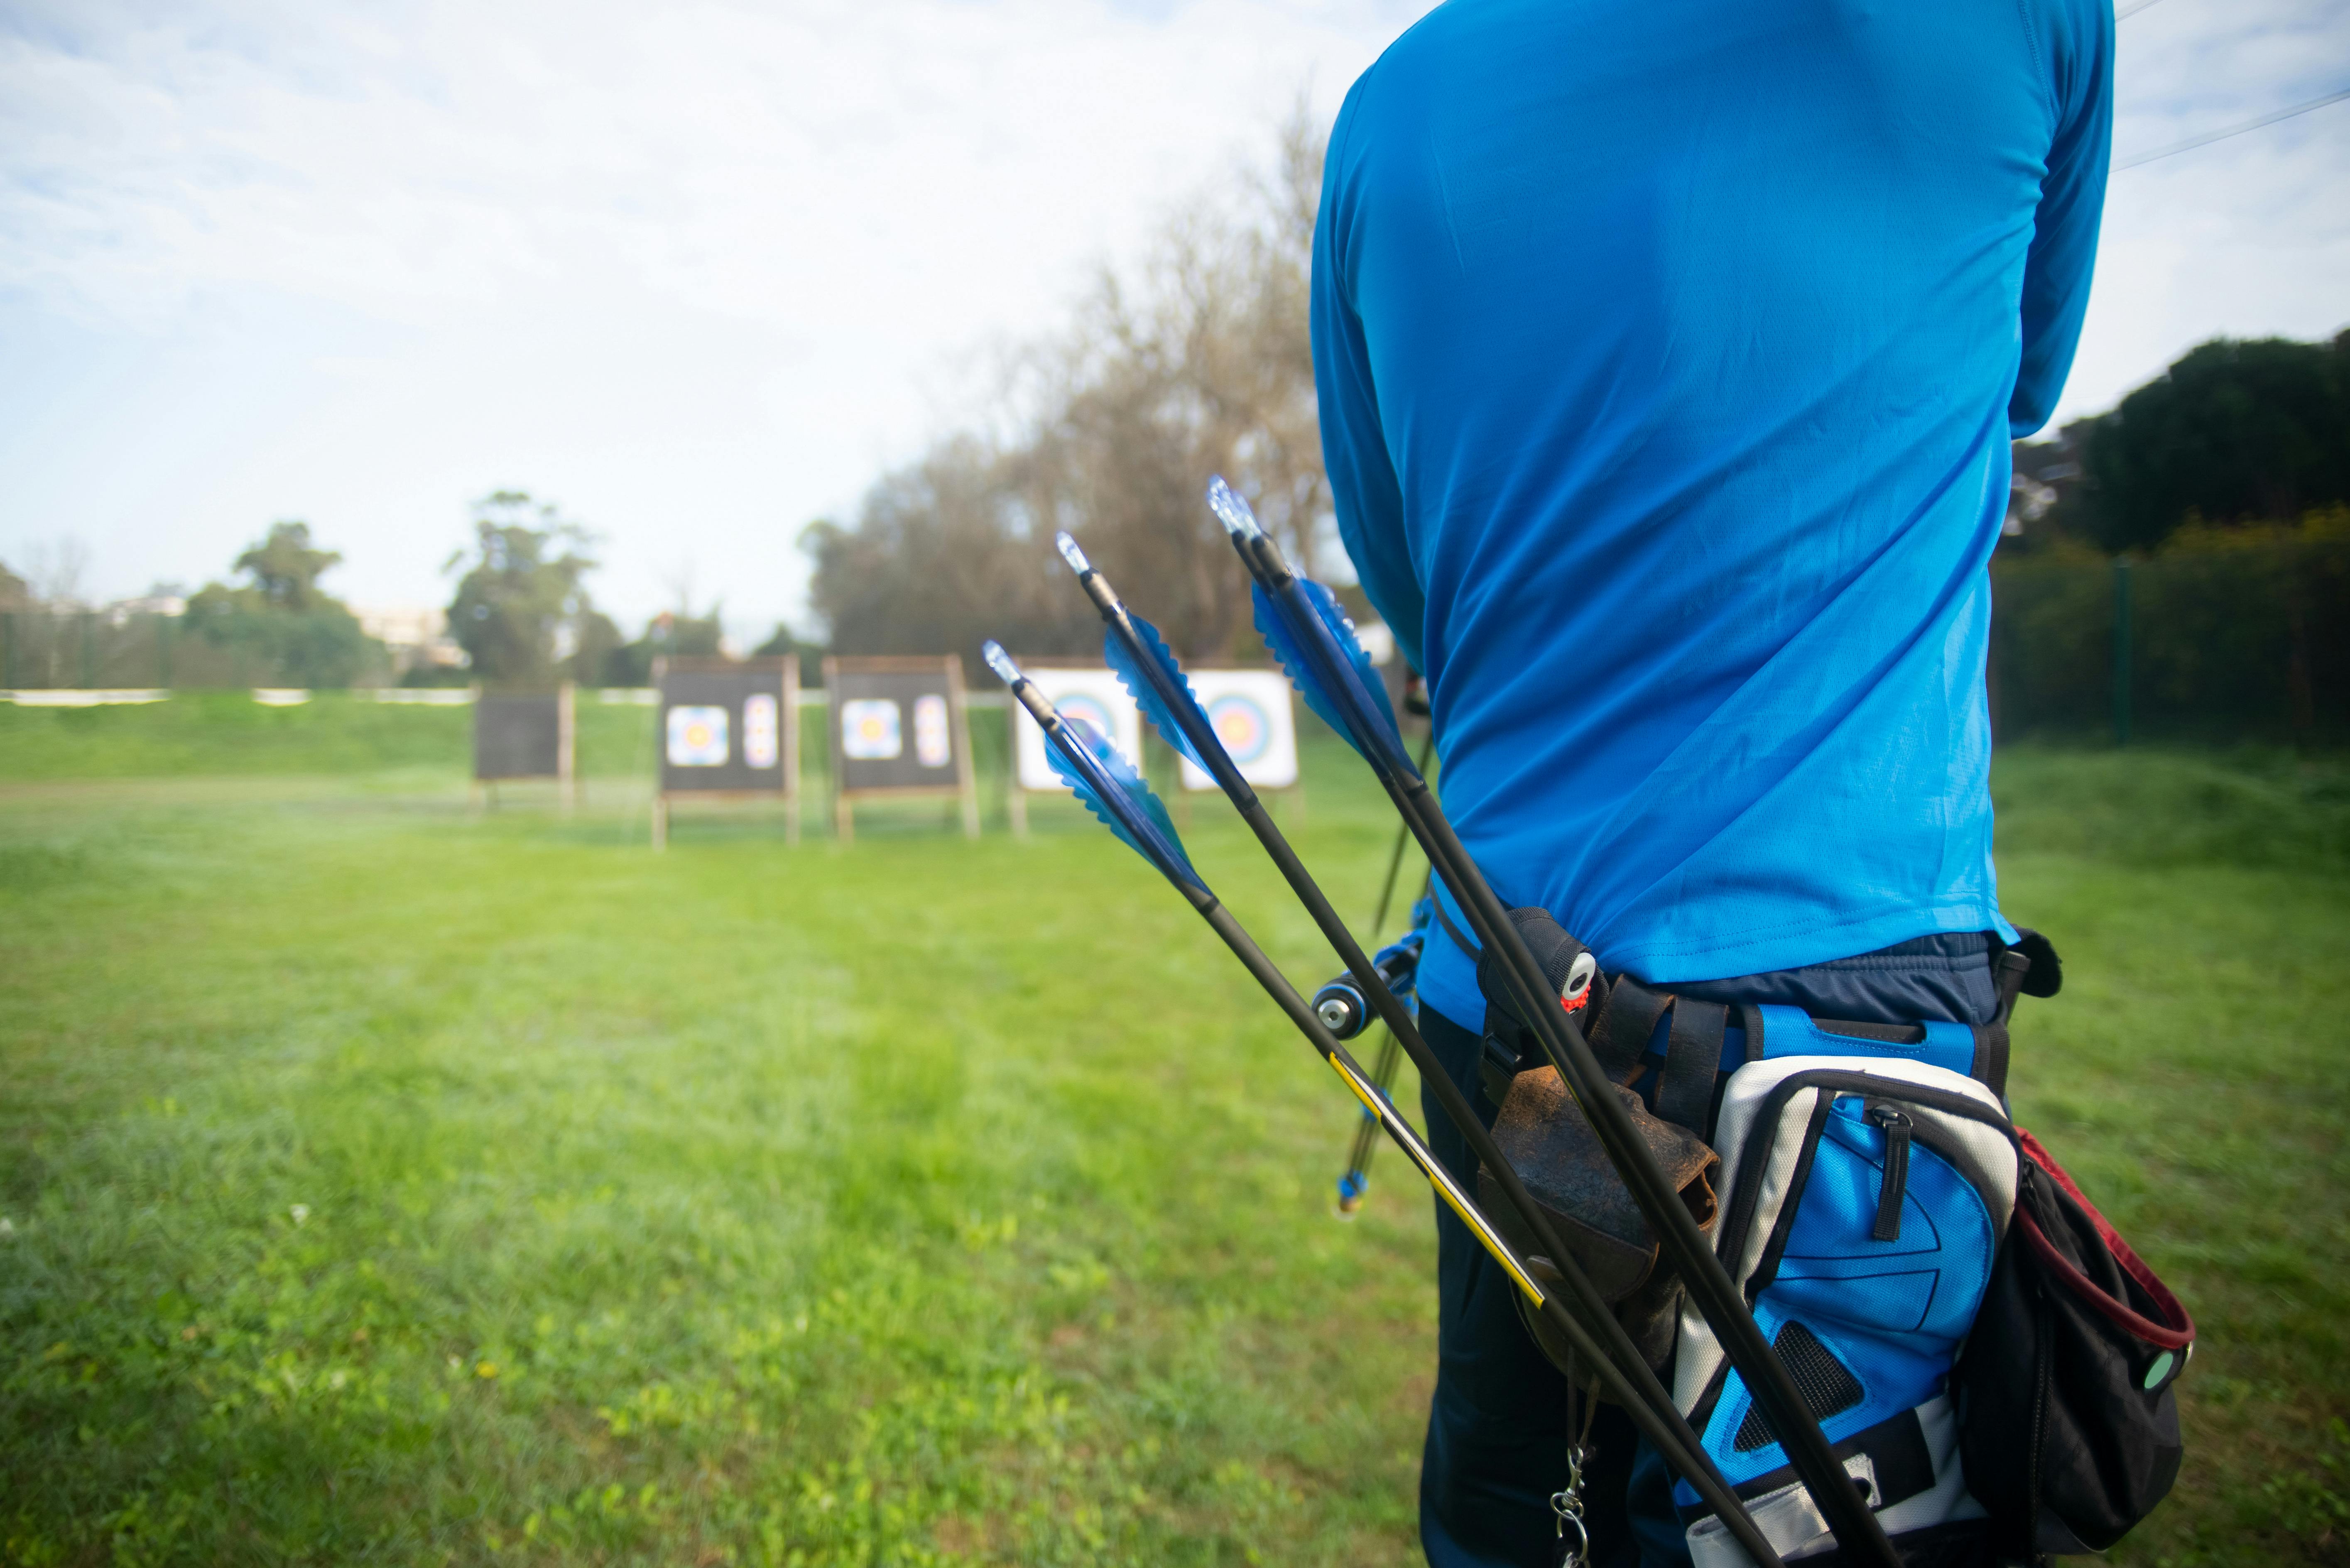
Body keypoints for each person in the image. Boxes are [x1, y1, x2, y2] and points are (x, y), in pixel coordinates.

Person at [1309, 0, 2114, 1562]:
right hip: (1862, 992)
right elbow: (2014, 380)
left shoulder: (1391, 112)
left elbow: (1416, 584)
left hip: (1519, 991)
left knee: (1521, 1524)